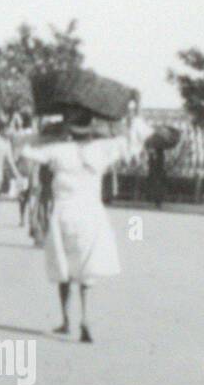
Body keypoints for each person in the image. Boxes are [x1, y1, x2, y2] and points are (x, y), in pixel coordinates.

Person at [16, 101, 151, 342]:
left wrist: (42, 130)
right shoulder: (103, 149)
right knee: (87, 270)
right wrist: (136, 112)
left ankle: (67, 320)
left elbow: (24, 152)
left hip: (63, 214)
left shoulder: (57, 150)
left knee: (63, 267)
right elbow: (135, 139)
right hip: (91, 214)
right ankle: (86, 317)